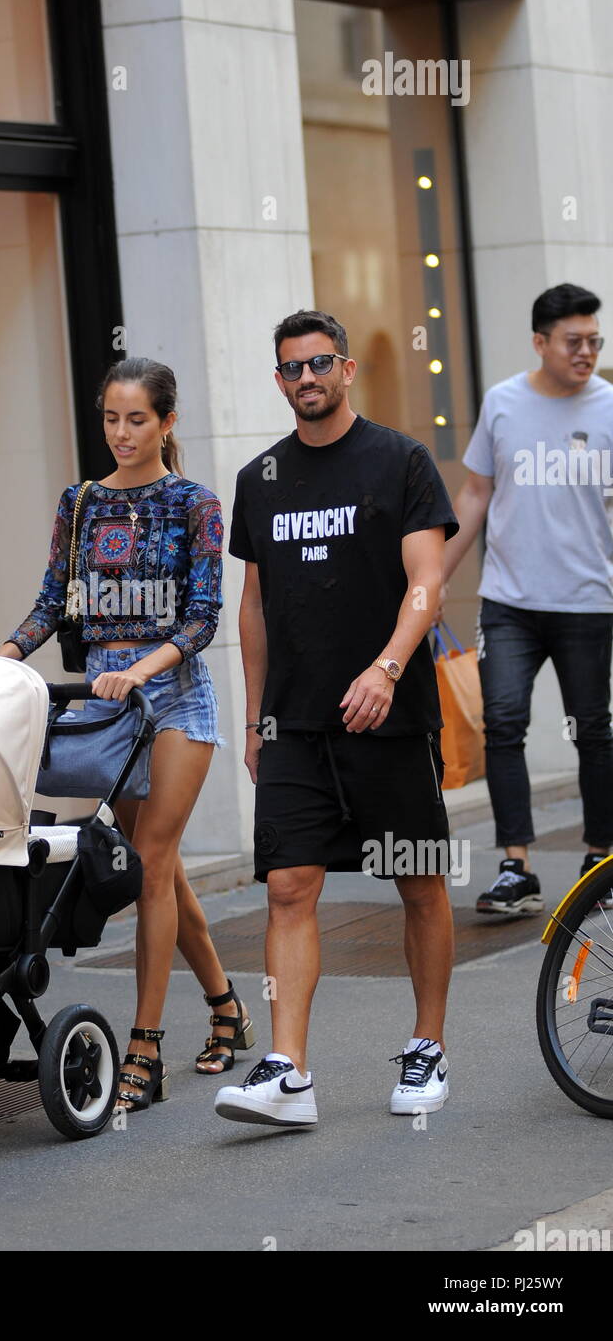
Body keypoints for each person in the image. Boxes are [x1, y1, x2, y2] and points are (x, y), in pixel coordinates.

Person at [214, 309, 459, 1130]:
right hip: (295, 723)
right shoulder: (261, 479)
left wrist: (389, 667)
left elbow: (428, 582)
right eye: (292, 368)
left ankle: (427, 1044)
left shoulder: (400, 463)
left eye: (320, 364)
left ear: (347, 370)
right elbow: (254, 606)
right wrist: (255, 720)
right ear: (278, 380)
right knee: (289, 887)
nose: (307, 378)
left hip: (387, 718)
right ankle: (290, 1072)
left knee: (417, 881)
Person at [0, 357, 254, 1111]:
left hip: (172, 700)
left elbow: (203, 618)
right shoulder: (79, 504)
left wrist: (142, 669)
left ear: (167, 422)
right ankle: (227, 1010)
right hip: (105, 708)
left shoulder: (194, 505)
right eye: (111, 418)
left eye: (137, 419)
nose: (121, 433)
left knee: (153, 862)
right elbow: (53, 601)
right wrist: (5, 657)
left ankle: (146, 1046)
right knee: (159, 872)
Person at [442, 284, 613, 916]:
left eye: (595, 340)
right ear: (540, 342)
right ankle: (517, 867)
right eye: (574, 341)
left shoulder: (609, 407)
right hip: (509, 601)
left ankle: (602, 859)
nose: (587, 352)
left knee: (593, 730)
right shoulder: (505, 403)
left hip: (588, 599)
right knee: (504, 724)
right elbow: (475, 495)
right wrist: (433, 580)